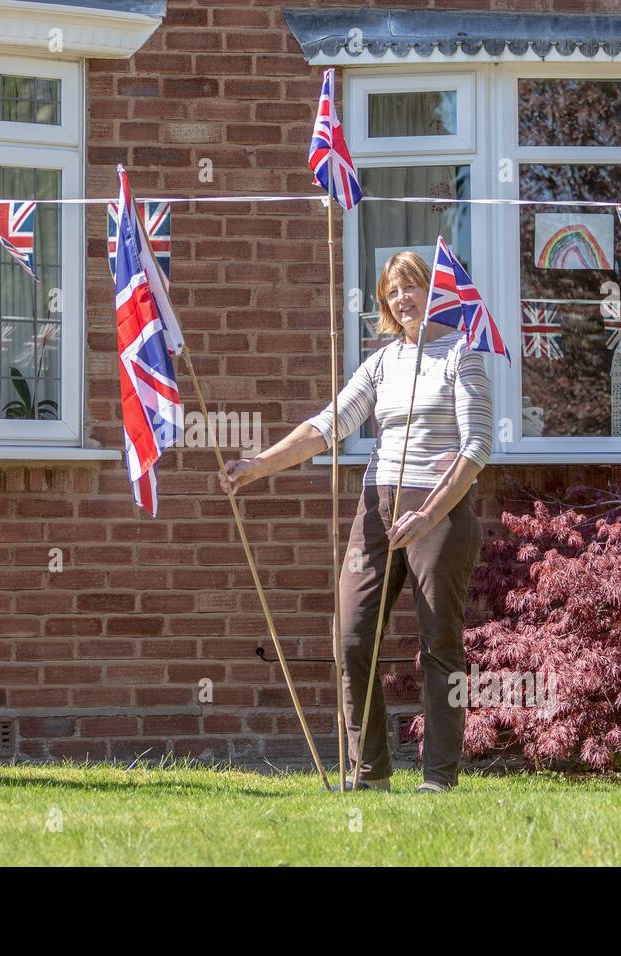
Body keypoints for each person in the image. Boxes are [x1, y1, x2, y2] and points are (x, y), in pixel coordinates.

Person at [219, 251, 492, 792]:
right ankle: (369, 773)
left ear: (434, 291)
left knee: (439, 641)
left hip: (440, 509)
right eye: (392, 292)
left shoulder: (462, 354)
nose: (402, 298)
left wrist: (428, 513)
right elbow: (329, 425)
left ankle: (438, 776)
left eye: (411, 286)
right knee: (350, 636)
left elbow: (478, 445)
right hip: (377, 502)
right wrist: (256, 466)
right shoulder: (382, 362)